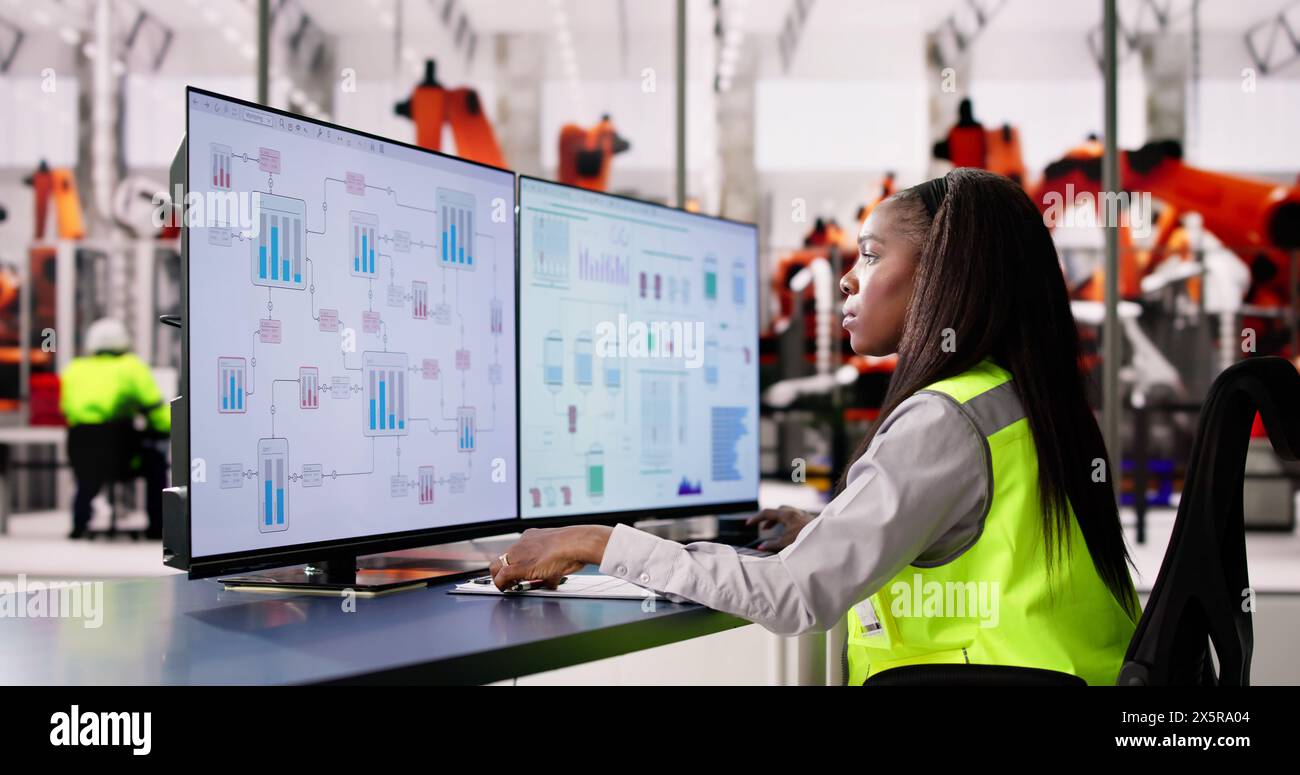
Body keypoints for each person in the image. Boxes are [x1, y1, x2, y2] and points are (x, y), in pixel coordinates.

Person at [489, 168, 1140, 685]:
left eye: (871, 255)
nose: (849, 277)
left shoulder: (942, 419)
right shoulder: (1021, 398)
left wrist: (600, 542)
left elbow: (797, 593)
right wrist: (830, 528)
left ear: (942, 273)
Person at [60, 318, 170, 539]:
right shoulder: (132, 367)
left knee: (87, 478)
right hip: (122, 456)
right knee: (156, 465)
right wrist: (167, 426)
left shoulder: (74, 369)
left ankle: (78, 524)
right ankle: (157, 528)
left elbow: (67, 408)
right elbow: (155, 409)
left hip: (81, 451)